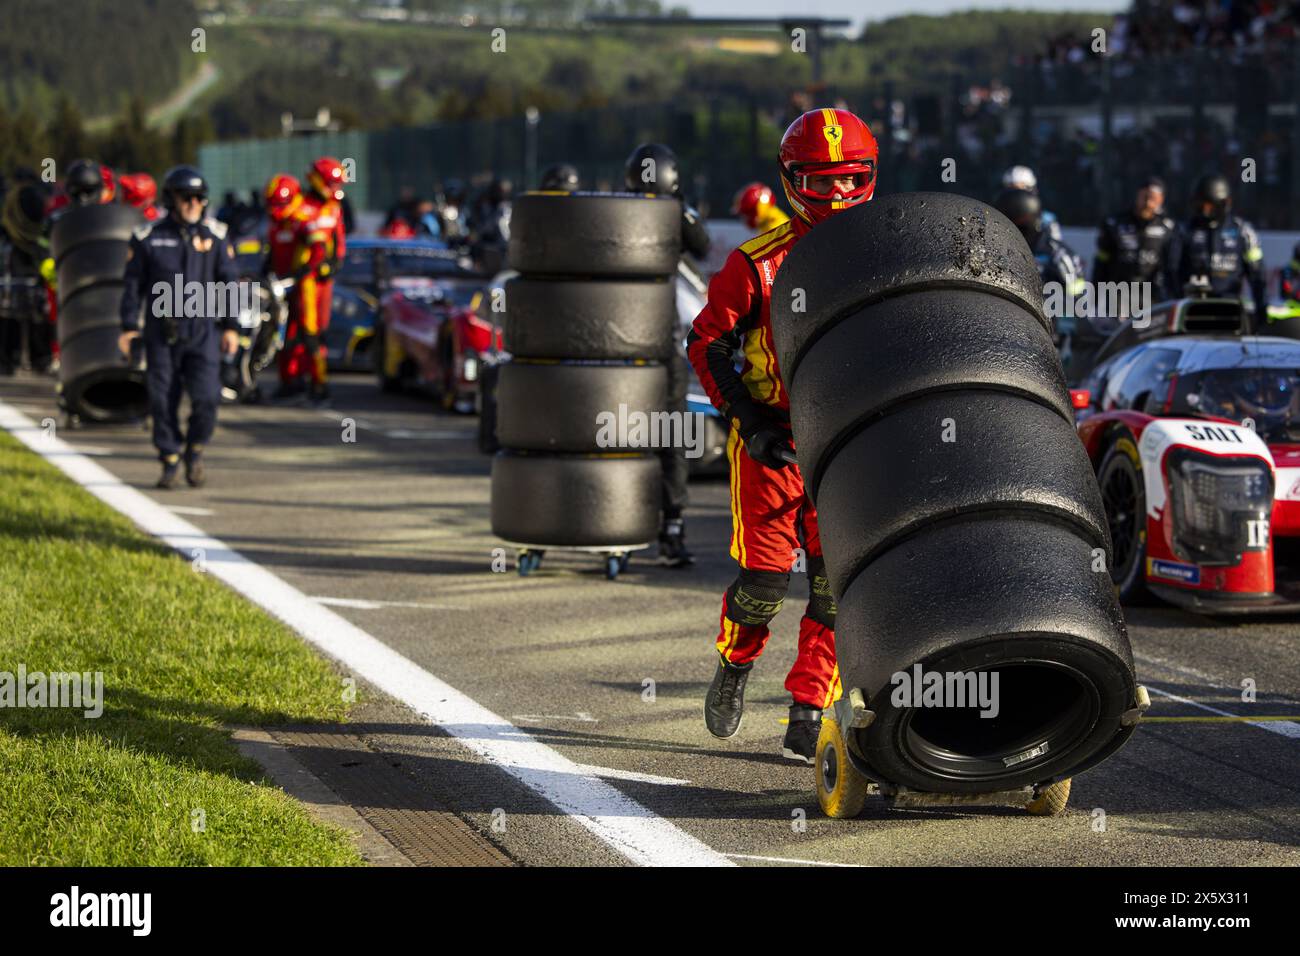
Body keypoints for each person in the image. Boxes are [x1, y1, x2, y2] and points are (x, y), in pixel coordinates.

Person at [687, 107, 878, 763]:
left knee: (833, 590)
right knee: (764, 586)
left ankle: (806, 710)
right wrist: (748, 420)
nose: (837, 195)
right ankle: (734, 665)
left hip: (847, 451)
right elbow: (706, 342)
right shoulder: (754, 263)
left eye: (849, 180)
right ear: (791, 179)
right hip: (770, 445)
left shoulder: (886, 251)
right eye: (820, 182)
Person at [118, 165, 240, 489]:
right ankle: (170, 457)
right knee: (161, 400)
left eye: (199, 198)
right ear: (171, 199)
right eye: (186, 197)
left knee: (208, 398)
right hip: (161, 332)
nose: (193, 204)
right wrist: (129, 328)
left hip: (203, 331)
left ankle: (195, 449)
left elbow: (228, 281)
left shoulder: (216, 236)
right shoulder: (148, 237)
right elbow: (132, 286)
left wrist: (231, 328)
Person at [624, 142, 710, 567]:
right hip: (642, 345)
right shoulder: (650, 214)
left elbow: (702, 243)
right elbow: (704, 244)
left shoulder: (623, 214)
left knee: (652, 435)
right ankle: (661, 527)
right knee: (662, 437)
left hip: (633, 346)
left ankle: (657, 525)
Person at [278, 157, 347, 403]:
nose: (336, 188)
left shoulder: (334, 208)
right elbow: (283, 236)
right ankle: (292, 381)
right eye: (332, 183)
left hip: (323, 283)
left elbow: (339, 244)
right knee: (296, 333)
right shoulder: (298, 205)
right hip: (300, 280)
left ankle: (319, 383)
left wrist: (333, 265)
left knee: (317, 334)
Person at [1166, 173, 1267, 331]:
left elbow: (1257, 275)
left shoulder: (1243, 232)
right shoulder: (1184, 230)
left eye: (1209, 206)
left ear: (1224, 203)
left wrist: (1262, 313)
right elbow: (1171, 271)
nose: (1204, 211)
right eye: (1200, 205)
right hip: (1191, 314)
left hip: (1231, 313)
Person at [1093, 176, 1175, 303]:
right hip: (1118, 295)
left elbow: (1172, 267)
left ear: (1161, 200)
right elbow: (1101, 261)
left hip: (1152, 297)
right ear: (1137, 196)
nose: (1148, 203)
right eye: (1145, 197)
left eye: (1153, 198)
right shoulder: (1114, 224)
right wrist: (1096, 296)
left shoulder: (1168, 228)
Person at [1001, 164, 1061, 242]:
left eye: (1022, 190)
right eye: (1013, 190)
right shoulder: (997, 217)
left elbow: (1055, 246)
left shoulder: (1046, 220)